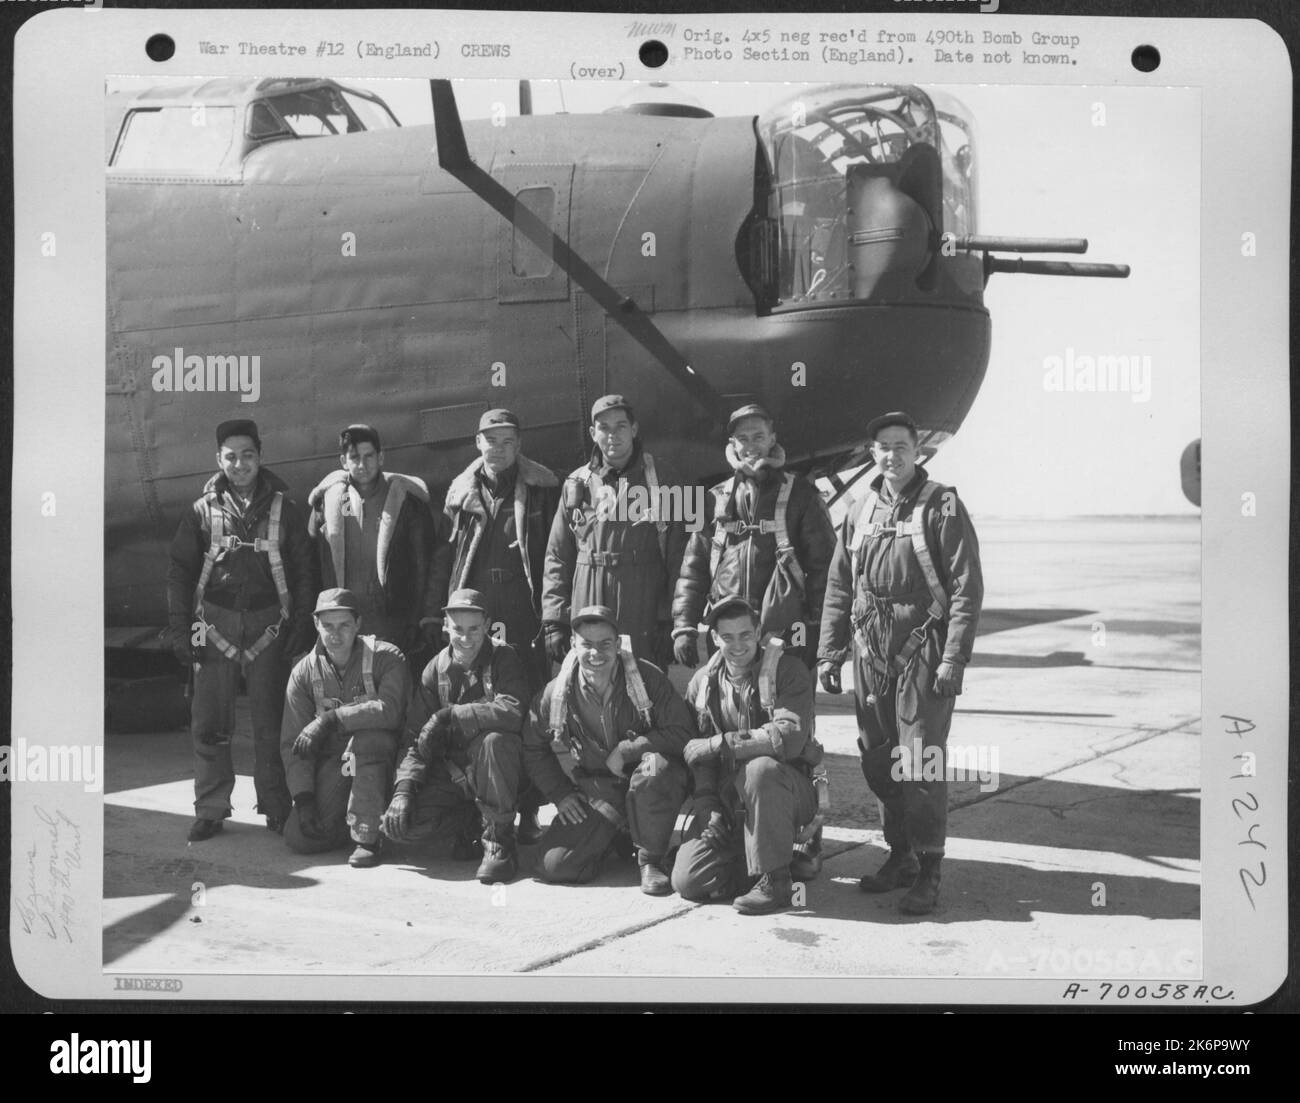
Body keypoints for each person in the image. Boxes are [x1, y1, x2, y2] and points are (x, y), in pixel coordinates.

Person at [818, 411, 983, 915]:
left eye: (901, 446)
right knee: (879, 760)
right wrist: (831, 649)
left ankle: (930, 869)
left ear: (918, 452)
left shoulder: (943, 505)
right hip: (870, 654)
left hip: (924, 656)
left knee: (921, 764)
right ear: (873, 453)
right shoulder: (860, 509)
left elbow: (966, 588)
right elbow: (840, 583)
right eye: (883, 446)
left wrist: (953, 658)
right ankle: (902, 855)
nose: (892, 455)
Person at [166, 419, 316, 842]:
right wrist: (184, 634)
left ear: (260, 456)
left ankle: (274, 804)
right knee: (210, 722)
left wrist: (301, 627)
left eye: (247, 455)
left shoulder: (286, 509)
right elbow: (179, 574)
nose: (240, 464)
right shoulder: (200, 512)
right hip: (213, 627)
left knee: (274, 723)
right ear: (219, 459)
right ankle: (211, 808)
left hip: (271, 627)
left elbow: (305, 572)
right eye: (230, 456)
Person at [442, 409, 559, 844]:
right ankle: (484, 810)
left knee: (525, 713)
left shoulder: (543, 491)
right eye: (491, 440)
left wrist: (551, 620)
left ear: (519, 444)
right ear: (478, 444)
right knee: (477, 705)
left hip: (523, 615)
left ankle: (528, 809)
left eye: (507, 441)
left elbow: (554, 555)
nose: (498, 448)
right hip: (476, 614)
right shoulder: (460, 496)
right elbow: (447, 556)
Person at [524, 605, 694, 894]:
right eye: (586, 644)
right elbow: (532, 746)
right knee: (554, 866)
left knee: (655, 767)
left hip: (648, 779)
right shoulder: (556, 694)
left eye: (605, 644)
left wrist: (628, 750)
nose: (595, 653)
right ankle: (615, 837)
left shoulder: (646, 678)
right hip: (599, 790)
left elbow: (683, 733)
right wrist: (560, 793)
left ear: (618, 644)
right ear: (572, 646)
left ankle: (650, 859)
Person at [672, 598, 823, 915]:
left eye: (745, 634)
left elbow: (788, 737)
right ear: (714, 638)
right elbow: (697, 757)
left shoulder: (788, 670)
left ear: (758, 632)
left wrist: (721, 743)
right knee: (688, 881)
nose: (737, 645)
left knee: (760, 769)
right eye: (727, 637)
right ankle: (762, 857)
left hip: (787, 789)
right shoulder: (702, 683)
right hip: (731, 798)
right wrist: (708, 806)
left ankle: (776, 880)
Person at [380, 589, 531, 883]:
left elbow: (513, 710)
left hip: (500, 769)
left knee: (495, 741)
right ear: (446, 627)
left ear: (487, 625)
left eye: (474, 629)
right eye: (457, 629)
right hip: (453, 774)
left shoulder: (505, 658)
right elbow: (415, 736)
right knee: (401, 827)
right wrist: (404, 789)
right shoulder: (434, 669)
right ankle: (471, 821)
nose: (465, 638)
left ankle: (500, 842)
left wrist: (450, 715)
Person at [673, 403, 837, 668]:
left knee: (787, 707)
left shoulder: (800, 495)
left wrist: (820, 629)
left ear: (772, 439)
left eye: (758, 437)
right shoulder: (714, 499)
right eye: (743, 438)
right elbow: (693, 570)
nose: (751, 446)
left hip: (787, 636)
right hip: (730, 635)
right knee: (730, 708)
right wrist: (684, 627)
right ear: (733, 443)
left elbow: (825, 568)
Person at [542, 395, 687, 668]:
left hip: (642, 599)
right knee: (589, 681)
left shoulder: (664, 479)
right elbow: (557, 556)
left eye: (620, 426)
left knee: (644, 683)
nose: (612, 435)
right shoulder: (577, 484)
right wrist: (555, 620)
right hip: (588, 597)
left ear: (634, 429)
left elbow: (680, 555)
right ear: (593, 433)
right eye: (604, 428)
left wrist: (672, 619)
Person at [280, 589, 411, 867]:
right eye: (327, 626)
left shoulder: (386, 658)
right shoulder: (303, 673)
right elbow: (293, 742)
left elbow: (390, 711)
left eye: (344, 625)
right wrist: (303, 799)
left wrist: (330, 718)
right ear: (316, 625)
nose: (335, 635)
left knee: (368, 740)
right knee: (298, 838)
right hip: (340, 764)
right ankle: (353, 821)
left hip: (384, 760)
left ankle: (367, 837)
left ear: (359, 625)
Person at [306, 424, 452, 668]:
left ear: (381, 457)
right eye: (354, 457)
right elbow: (311, 566)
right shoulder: (325, 505)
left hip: (393, 621)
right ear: (343, 460)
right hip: (343, 622)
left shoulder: (407, 503)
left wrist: (421, 618)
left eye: (369, 456)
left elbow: (423, 566)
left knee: (393, 691)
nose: (362, 465)